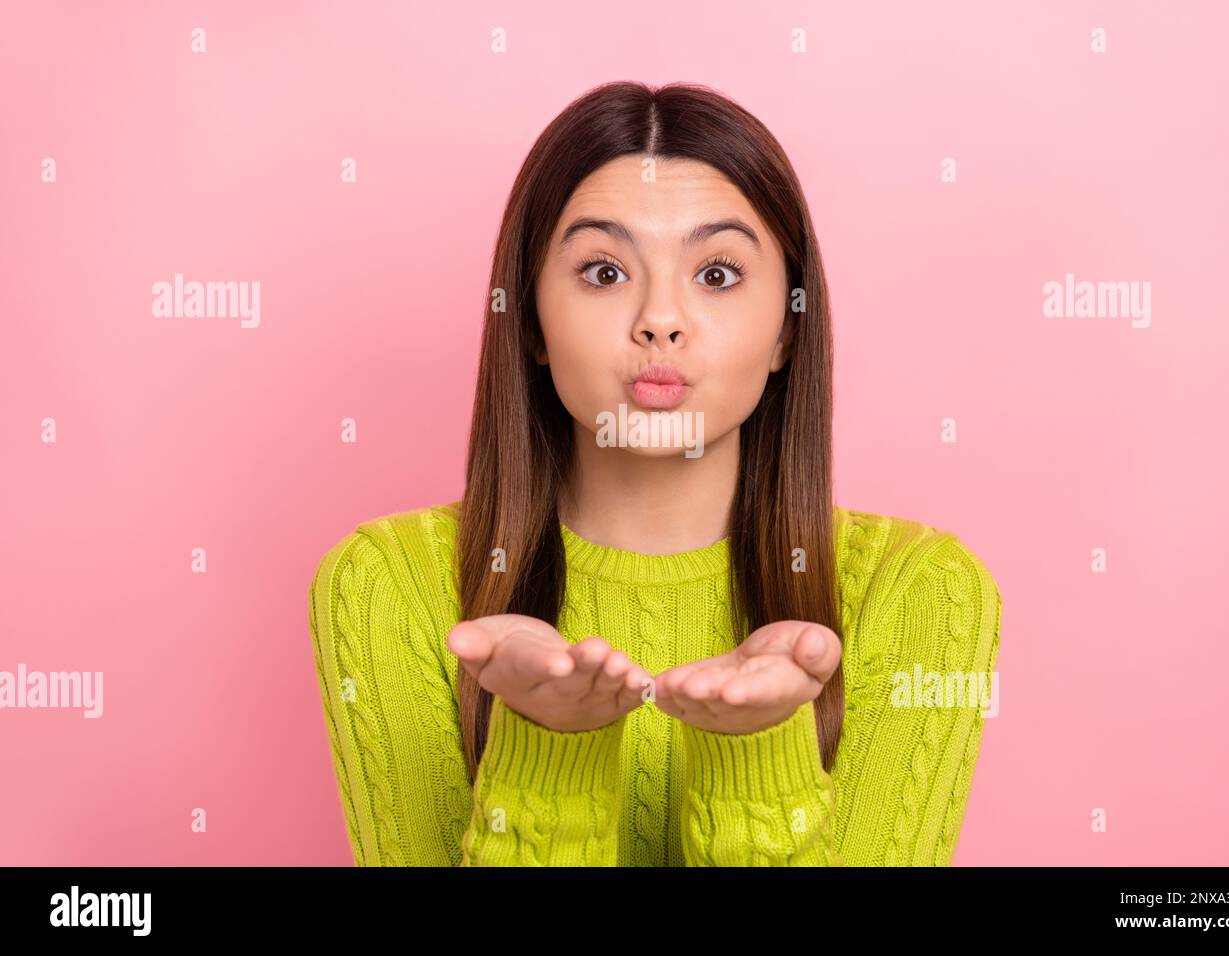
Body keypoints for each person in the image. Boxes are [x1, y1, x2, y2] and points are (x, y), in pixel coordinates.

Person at [308, 80, 1002, 866]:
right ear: (531, 320)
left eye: (717, 274)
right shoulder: (388, 586)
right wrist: (549, 752)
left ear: (786, 330)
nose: (659, 319)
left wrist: (756, 758)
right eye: (604, 271)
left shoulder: (923, 593)